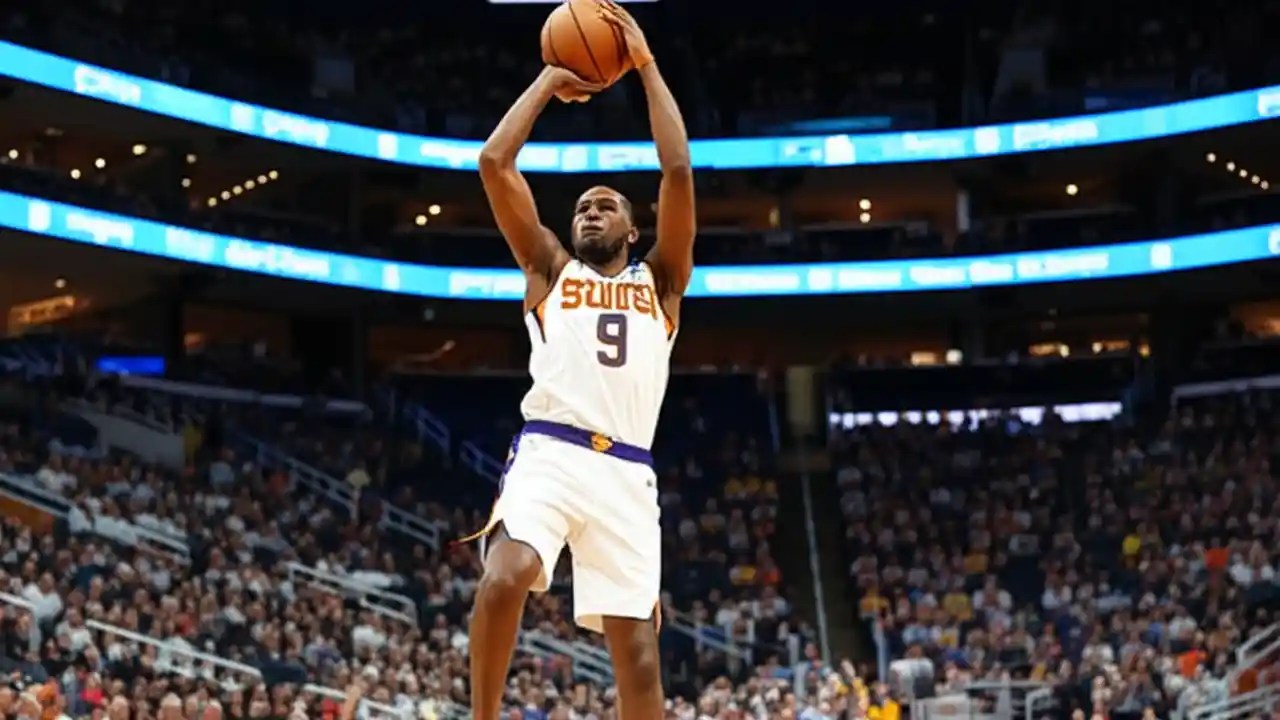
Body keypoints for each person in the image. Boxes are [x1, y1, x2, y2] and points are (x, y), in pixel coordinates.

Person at [467, 1, 695, 718]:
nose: (590, 212)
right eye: (582, 208)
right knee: (508, 575)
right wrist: (547, 80)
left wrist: (647, 65)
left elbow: (680, 169)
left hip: (628, 472)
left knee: (640, 660)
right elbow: (493, 162)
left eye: (606, 206)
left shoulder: (660, 282)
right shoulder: (549, 268)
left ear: (635, 227)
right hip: (552, 450)